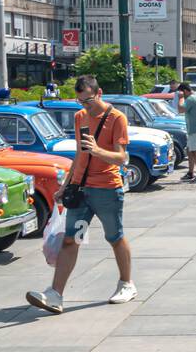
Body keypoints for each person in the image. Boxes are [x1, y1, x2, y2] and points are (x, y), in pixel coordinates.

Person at [27, 75, 135, 314]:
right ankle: (55, 294)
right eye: (80, 101)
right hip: (80, 191)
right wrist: (65, 185)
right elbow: (79, 154)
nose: (84, 106)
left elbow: (121, 158)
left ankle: (126, 284)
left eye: (87, 100)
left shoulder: (117, 118)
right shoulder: (80, 117)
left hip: (107, 188)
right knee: (71, 239)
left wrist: (97, 150)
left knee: (114, 237)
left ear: (99, 93)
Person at [176, 82, 196, 183]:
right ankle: (190, 173)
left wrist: (181, 98)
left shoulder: (190, 99)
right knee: (190, 150)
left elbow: (181, 109)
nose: (181, 95)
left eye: (181, 93)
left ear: (185, 91)